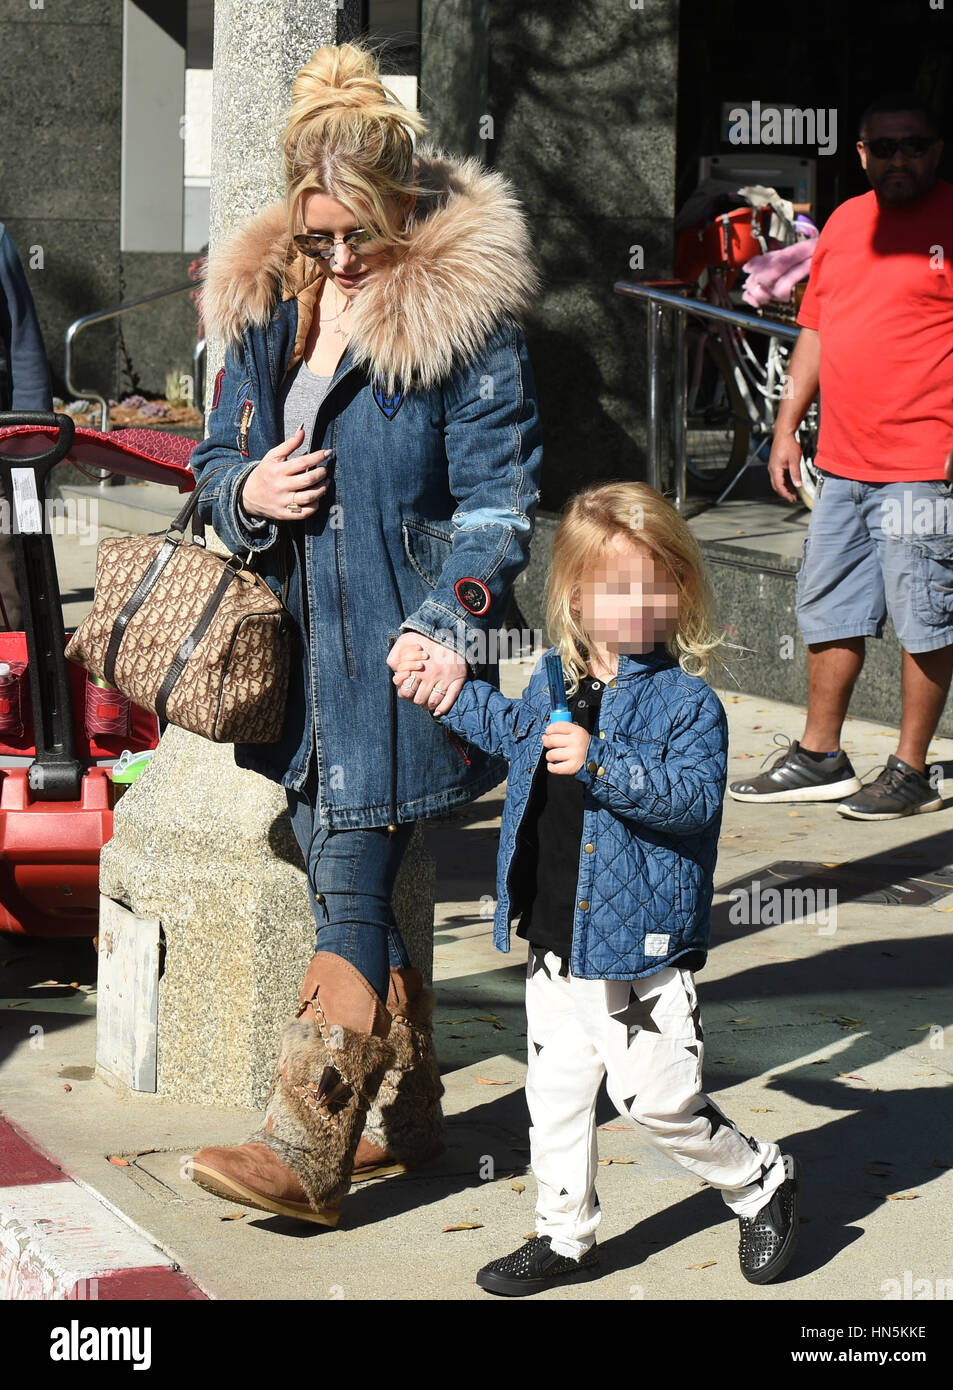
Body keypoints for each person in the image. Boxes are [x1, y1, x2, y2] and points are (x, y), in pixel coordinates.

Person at [186, 42, 543, 1226]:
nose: (340, 258)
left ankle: (306, 1143)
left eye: (363, 234)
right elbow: (212, 461)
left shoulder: (463, 318)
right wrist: (250, 494)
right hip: (298, 656)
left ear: (401, 208)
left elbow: (498, 504)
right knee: (370, 876)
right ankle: (413, 1114)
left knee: (348, 882)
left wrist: (453, 622)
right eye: (319, 235)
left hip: (406, 655)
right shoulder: (264, 308)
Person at [393, 482, 799, 1295]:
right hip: (556, 945)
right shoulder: (554, 679)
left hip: (637, 955)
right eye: (618, 587)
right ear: (577, 594)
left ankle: (758, 1178)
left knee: (658, 1102)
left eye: (658, 583)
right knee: (556, 1099)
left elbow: (693, 802)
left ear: (682, 586)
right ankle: (563, 1233)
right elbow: (514, 734)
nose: (640, 604)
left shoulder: (689, 706)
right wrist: (446, 683)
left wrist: (603, 762)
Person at [731, 92, 953, 819]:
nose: (900, 159)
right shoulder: (844, 222)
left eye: (915, 145)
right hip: (842, 460)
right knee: (830, 609)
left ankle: (911, 770)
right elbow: (816, 330)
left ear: (938, 150)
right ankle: (820, 755)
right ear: (861, 154)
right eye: (885, 147)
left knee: (922, 618)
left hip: (926, 462)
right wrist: (785, 428)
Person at [0, 221, 53, 630]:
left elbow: (23, 339)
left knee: (12, 574)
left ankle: (17, 684)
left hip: (5, 440)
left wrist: (34, 439)